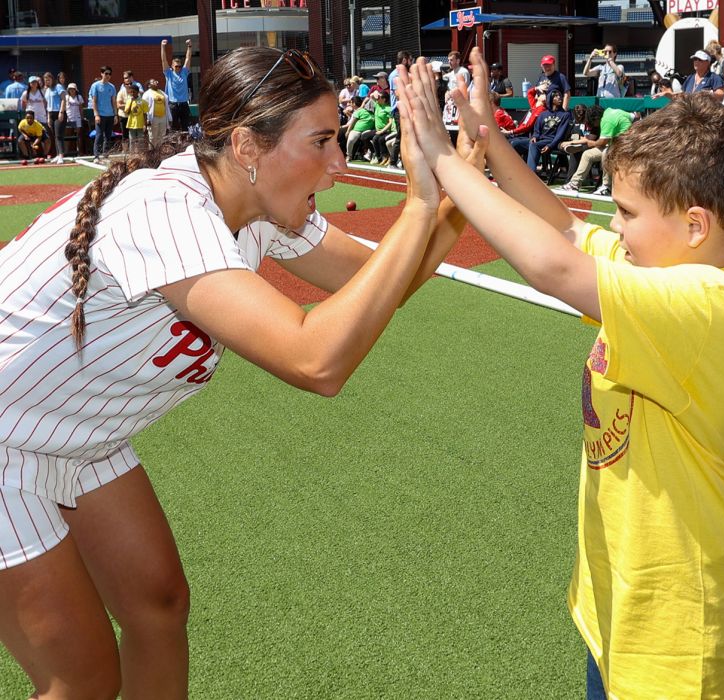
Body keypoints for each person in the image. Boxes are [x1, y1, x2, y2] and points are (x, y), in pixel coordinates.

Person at [0, 48, 482, 700]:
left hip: (75, 434)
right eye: (321, 142)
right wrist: (421, 206)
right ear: (248, 145)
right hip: (7, 439)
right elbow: (315, 361)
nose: (338, 164)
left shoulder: (251, 204)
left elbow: (380, 282)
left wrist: (464, 181)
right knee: (80, 678)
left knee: (159, 606)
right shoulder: (165, 209)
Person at [396, 46, 724, 700]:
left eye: (626, 214)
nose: (614, 229)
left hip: (683, 632)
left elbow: (555, 267)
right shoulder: (661, 270)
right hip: (620, 603)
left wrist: (446, 159)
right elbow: (564, 233)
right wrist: (487, 137)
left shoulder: (712, 304)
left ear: (694, 225)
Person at [559, 100, 631, 196]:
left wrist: (591, 143)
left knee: (606, 152)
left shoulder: (607, 120)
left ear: (596, 118)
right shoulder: (610, 111)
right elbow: (634, 116)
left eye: (593, 122)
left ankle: (607, 187)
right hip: (614, 145)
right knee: (587, 154)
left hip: (625, 147)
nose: (594, 125)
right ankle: (574, 184)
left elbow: (601, 143)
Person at [509, 93, 571, 176]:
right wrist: (535, 136)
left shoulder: (564, 115)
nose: (560, 97)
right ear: (550, 99)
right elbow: (537, 129)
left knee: (534, 145)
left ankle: (530, 176)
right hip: (540, 139)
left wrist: (550, 145)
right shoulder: (543, 114)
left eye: (560, 95)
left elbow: (560, 134)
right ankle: (514, 172)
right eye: (556, 96)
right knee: (515, 144)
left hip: (552, 141)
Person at [161, 38, 194, 131]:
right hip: (173, 104)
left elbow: (188, 58)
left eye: (179, 66)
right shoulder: (169, 73)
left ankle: (185, 144)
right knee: (173, 128)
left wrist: (189, 46)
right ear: (172, 66)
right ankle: (174, 145)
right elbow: (163, 60)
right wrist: (163, 46)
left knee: (186, 127)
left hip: (184, 103)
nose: (178, 68)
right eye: (176, 66)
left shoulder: (184, 72)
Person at [88, 65, 118, 160]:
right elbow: (94, 101)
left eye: (109, 74)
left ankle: (106, 154)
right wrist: (96, 114)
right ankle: (96, 155)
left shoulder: (112, 87)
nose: (108, 75)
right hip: (100, 115)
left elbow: (113, 101)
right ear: (101, 74)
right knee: (99, 135)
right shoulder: (95, 86)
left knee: (108, 136)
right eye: (106, 73)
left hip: (110, 115)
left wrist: (115, 114)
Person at [344, 94, 377, 162]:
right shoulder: (359, 111)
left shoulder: (375, 112)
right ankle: (349, 155)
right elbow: (353, 122)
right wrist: (348, 131)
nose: (370, 107)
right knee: (351, 139)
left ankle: (371, 155)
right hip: (356, 130)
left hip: (368, 130)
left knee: (365, 137)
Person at [59, 82, 85, 160]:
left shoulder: (79, 97)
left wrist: (82, 117)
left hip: (77, 118)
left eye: (73, 89)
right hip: (69, 118)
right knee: (68, 136)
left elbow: (81, 108)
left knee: (79, 136)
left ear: (75, 89)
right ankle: (66, 152)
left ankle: (80, 152)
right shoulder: (66, 97)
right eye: (70, 89)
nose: (72, 90)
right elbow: (63, 107)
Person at [121, 82, 149, 152]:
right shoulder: (128, 101)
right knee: (132, 140)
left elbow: (145, 114)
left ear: (138, 92)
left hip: (140, 124)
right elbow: (127, 112)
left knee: (140, 140)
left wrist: (145, 125)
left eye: (134, 92)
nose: (132, 94)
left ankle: (141, 154)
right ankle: (132, 154)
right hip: (131, 124)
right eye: (131, 92)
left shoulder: (143, 102)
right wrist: (130, 102)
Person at [144, 78, 171, 148]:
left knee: (162, 136)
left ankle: (160, 152)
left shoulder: (162, 92)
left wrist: (169, 117)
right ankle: (152, 153)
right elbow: (145, 108)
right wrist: (147, 119)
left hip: (163, 117)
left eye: (156, 81)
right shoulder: (147, 94)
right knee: (153, 137)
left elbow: (166, 106)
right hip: (153, 118)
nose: (156, 82)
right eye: (153, 81)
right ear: (149, 85)